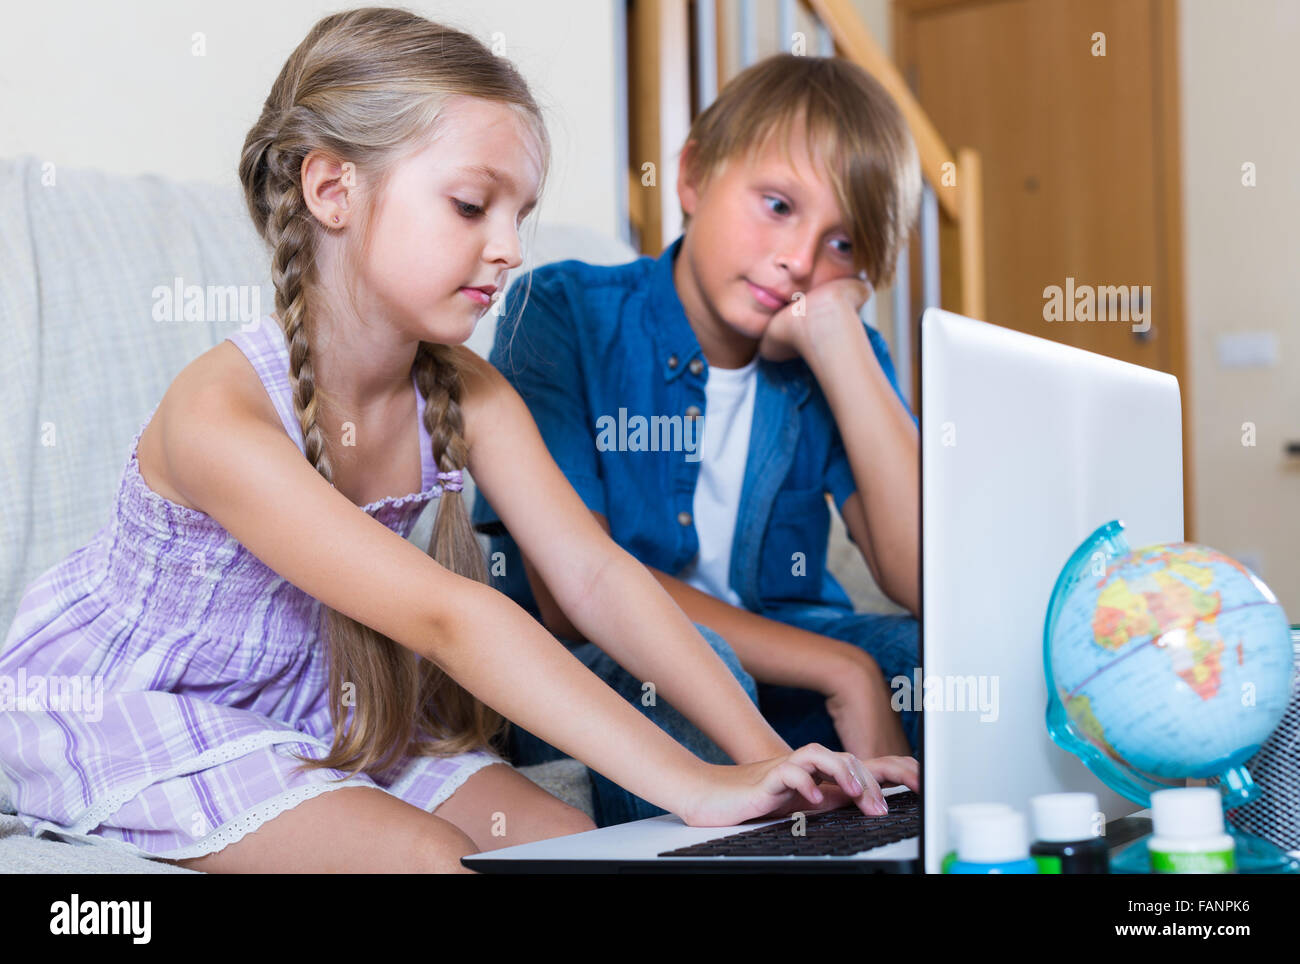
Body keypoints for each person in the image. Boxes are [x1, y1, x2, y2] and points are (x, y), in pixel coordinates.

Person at [0, 9, 914, 875]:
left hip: (321, 712)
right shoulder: (220, 413)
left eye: (521, 213)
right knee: (425, 858)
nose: (511, 247)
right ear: (331, 190)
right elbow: (451, 617)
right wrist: (692, 784)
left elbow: (596, 576)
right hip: (145, 710)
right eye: (474, 206)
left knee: (563, 843)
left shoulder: (469, 393)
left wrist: (769, 769)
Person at [473, 52, 923, 827]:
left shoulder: (836, 347)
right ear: (692, 178)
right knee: (704, 666)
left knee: (928, 659)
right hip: (616, 661)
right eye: (779, 205)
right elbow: (572, 597)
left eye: (842, 245)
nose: (802, 261)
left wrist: (840, 338)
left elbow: (922, 578)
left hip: (783, 654)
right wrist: (841, 669)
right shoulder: (565, 312)